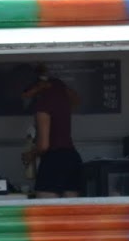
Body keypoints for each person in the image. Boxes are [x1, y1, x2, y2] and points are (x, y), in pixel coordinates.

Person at [21, 65, 83, 198]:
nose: (26, 96)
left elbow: (44, 145)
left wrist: (31, 155)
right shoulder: (59, 88)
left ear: (36, 87)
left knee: (46, 213)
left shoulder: (43, 104)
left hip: (54, 159)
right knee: (71, 214)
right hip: (72, 158)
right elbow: (77, 99)